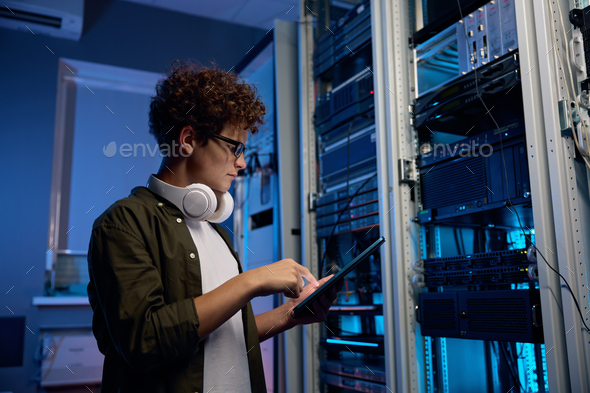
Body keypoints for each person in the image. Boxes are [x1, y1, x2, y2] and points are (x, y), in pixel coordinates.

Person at [87, 61, 342, 393]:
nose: (242, 162)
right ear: (189, 139)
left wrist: (291, 313)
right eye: (234, 147)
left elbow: (225, 334)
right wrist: (254, 280)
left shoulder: (216, 231)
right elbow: (145, 341)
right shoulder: (122, 224)